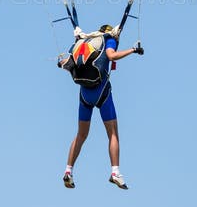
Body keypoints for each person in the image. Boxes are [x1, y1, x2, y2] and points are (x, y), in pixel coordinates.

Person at [60, 24, 143, 190]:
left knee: (81, 135)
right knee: (112, 133)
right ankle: (115, 173)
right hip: (102, 92)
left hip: (84, 94)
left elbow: (66, 62)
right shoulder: (109, 40)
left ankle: (68, 171)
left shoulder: (83, 42)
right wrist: (133, 50)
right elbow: (111, 56)